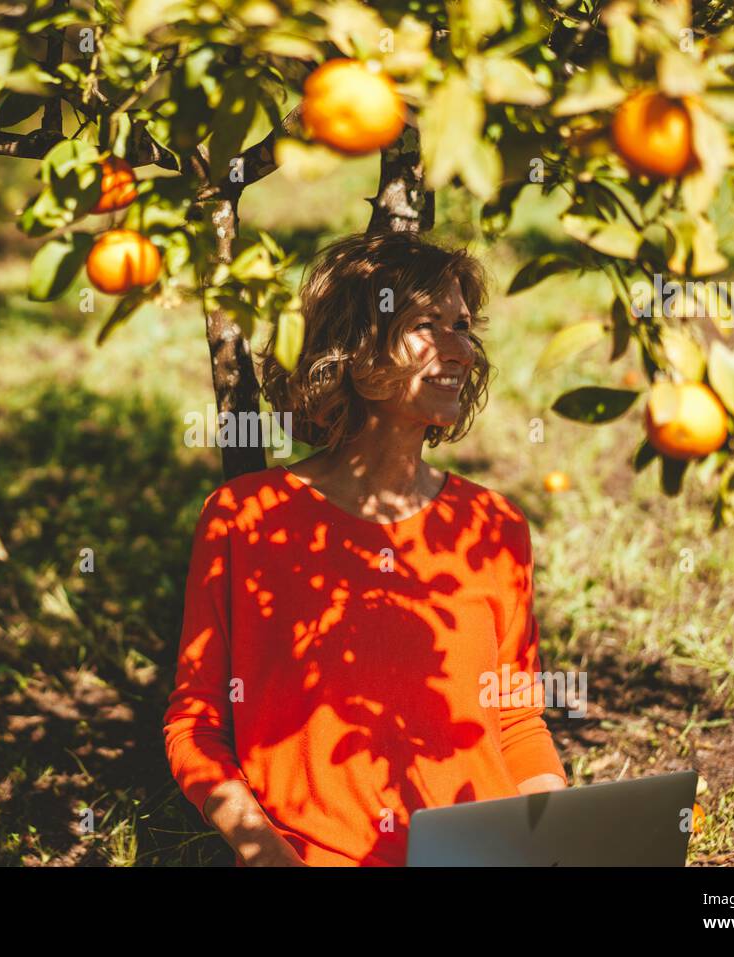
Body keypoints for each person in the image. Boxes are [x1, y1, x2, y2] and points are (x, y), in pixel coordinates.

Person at [163, 230, 568, 867]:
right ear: (351, 349)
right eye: (427, 324)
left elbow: (516, 722)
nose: (460, 348)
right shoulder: (246, 519)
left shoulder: (493, 525)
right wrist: (265, 854)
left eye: (463, 325)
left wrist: (553, 840)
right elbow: (197, 725)